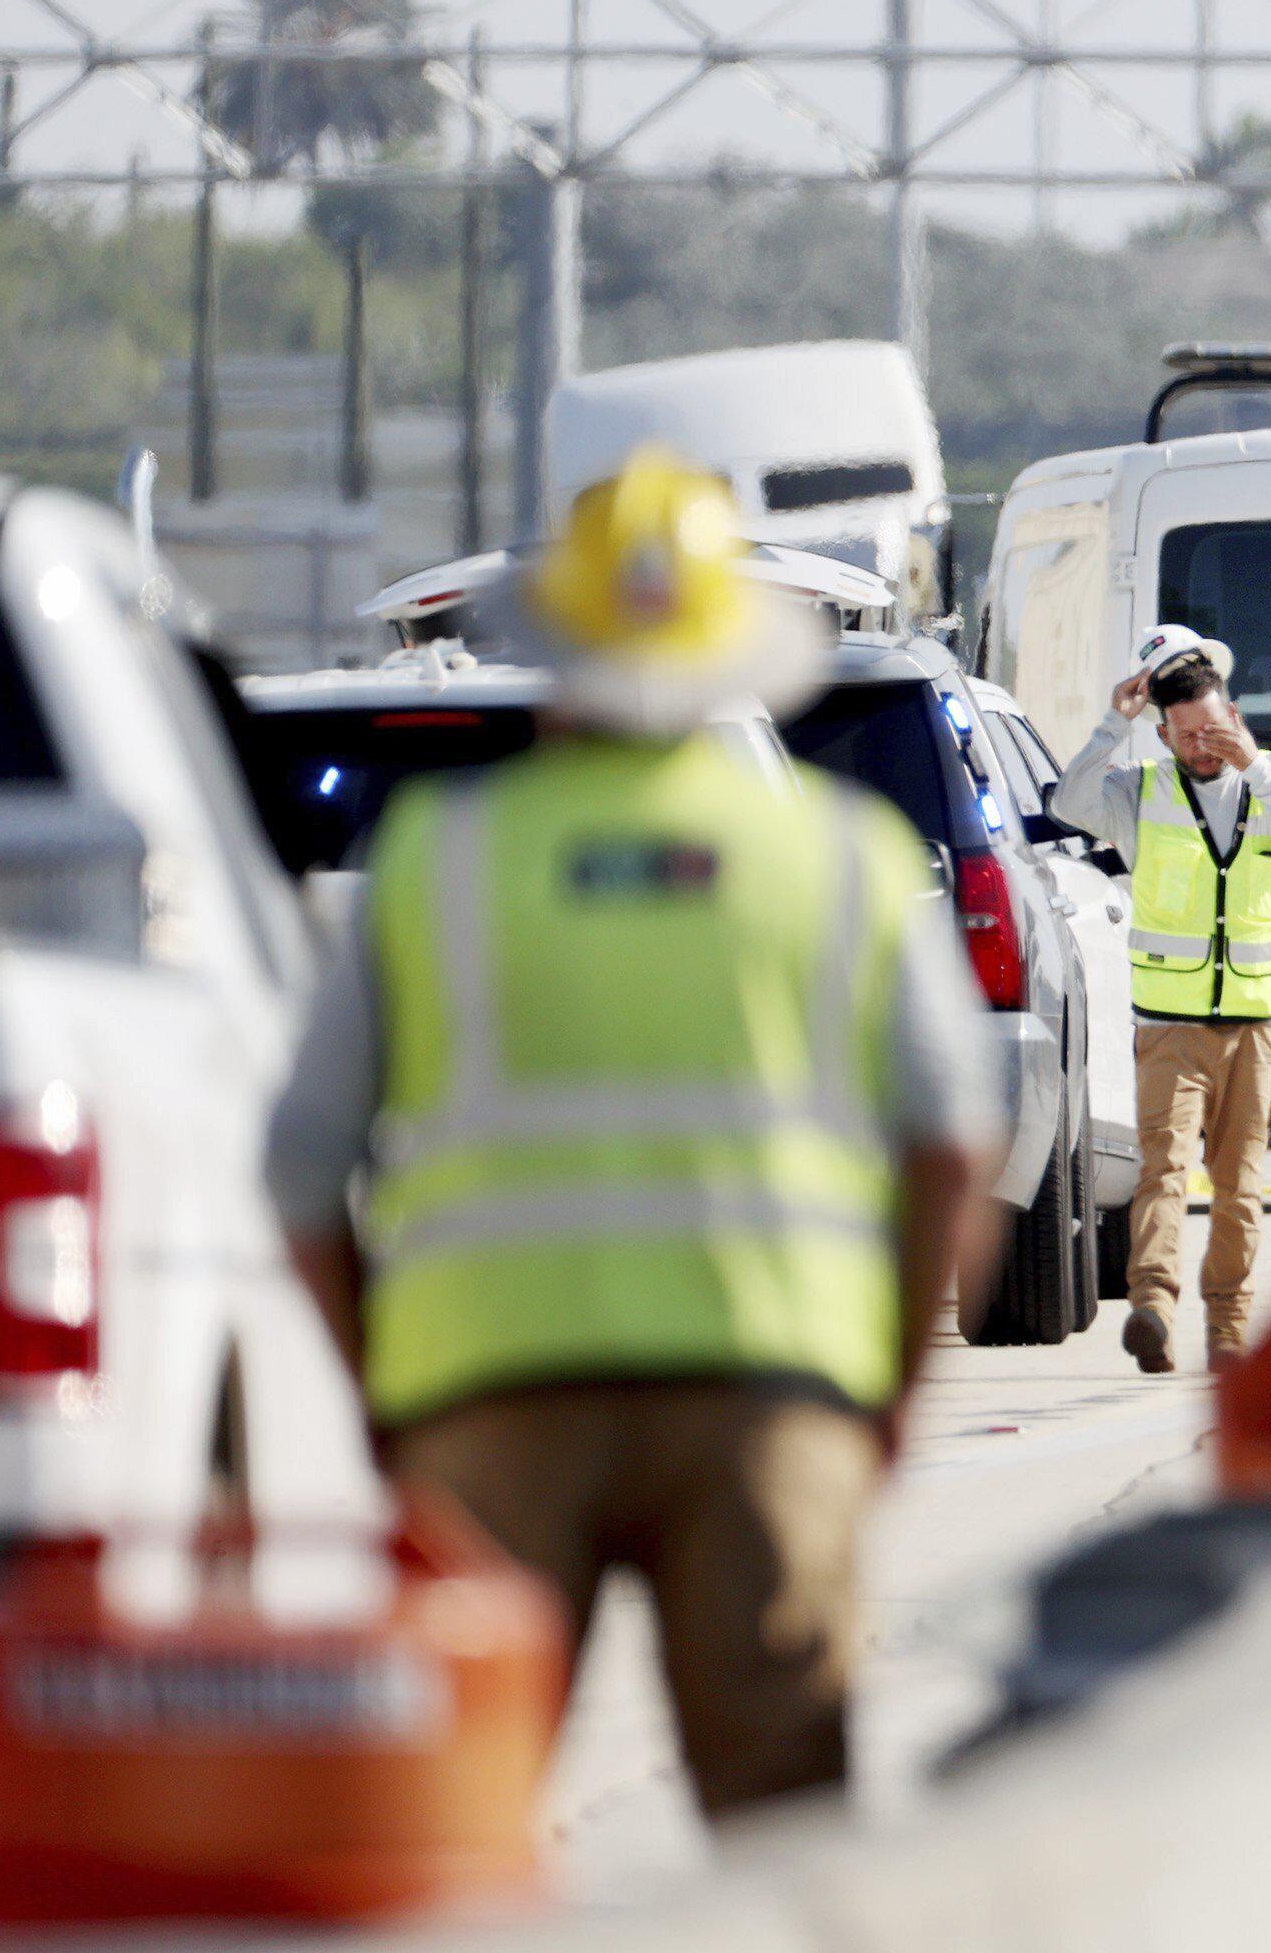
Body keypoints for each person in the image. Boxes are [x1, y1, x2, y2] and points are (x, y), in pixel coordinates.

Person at [265, 449, 1003, 1818]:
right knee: (786, 1823)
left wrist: (383, 1400)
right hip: (770, 1396)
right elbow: (955, 1140)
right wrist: (884, 1392)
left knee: (459, 1817)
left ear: (555, 654)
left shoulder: (437, 860)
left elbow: (300, 1170)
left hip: (489, 1401)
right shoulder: (834, 857)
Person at [1051, 623, 1271, 1373]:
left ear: (1233, 714)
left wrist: (1259, 770)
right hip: (1170, 1027)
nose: (1199, 746)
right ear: (1164, 735)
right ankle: (1152, 1306)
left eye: (1211, 730)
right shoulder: (1140, 793)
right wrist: (1114, 722)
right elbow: (1068, 800)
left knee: (1240, 1187)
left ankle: (1228, 1329)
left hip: (1253, 1026)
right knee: (1163, 1171)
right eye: (1182, 735)